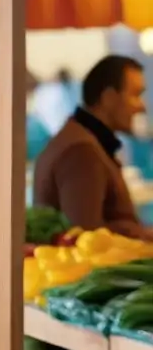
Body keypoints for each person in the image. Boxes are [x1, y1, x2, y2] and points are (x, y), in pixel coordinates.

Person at [33, 55, 151, 239]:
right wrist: (139, 233)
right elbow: (84, 236)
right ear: (109, 98)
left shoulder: (84, 140)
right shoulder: (81, 151)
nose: (142, 107)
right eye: (135, 95)